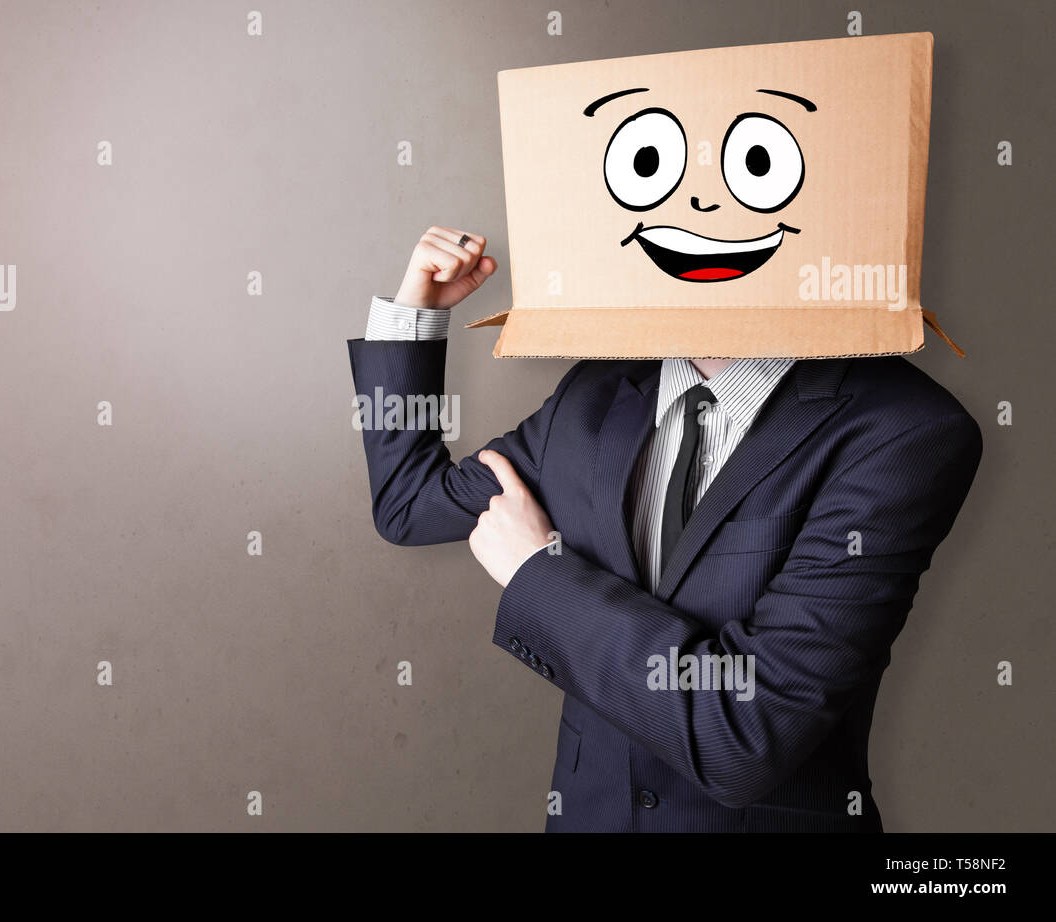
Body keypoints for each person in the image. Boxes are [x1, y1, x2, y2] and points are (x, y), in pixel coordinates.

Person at [348, 225, 984, 832]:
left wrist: (536, 573)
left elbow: (747, 734)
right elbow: (410, 504)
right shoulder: (595, 394)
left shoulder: (905, 432)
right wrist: (415, 315)